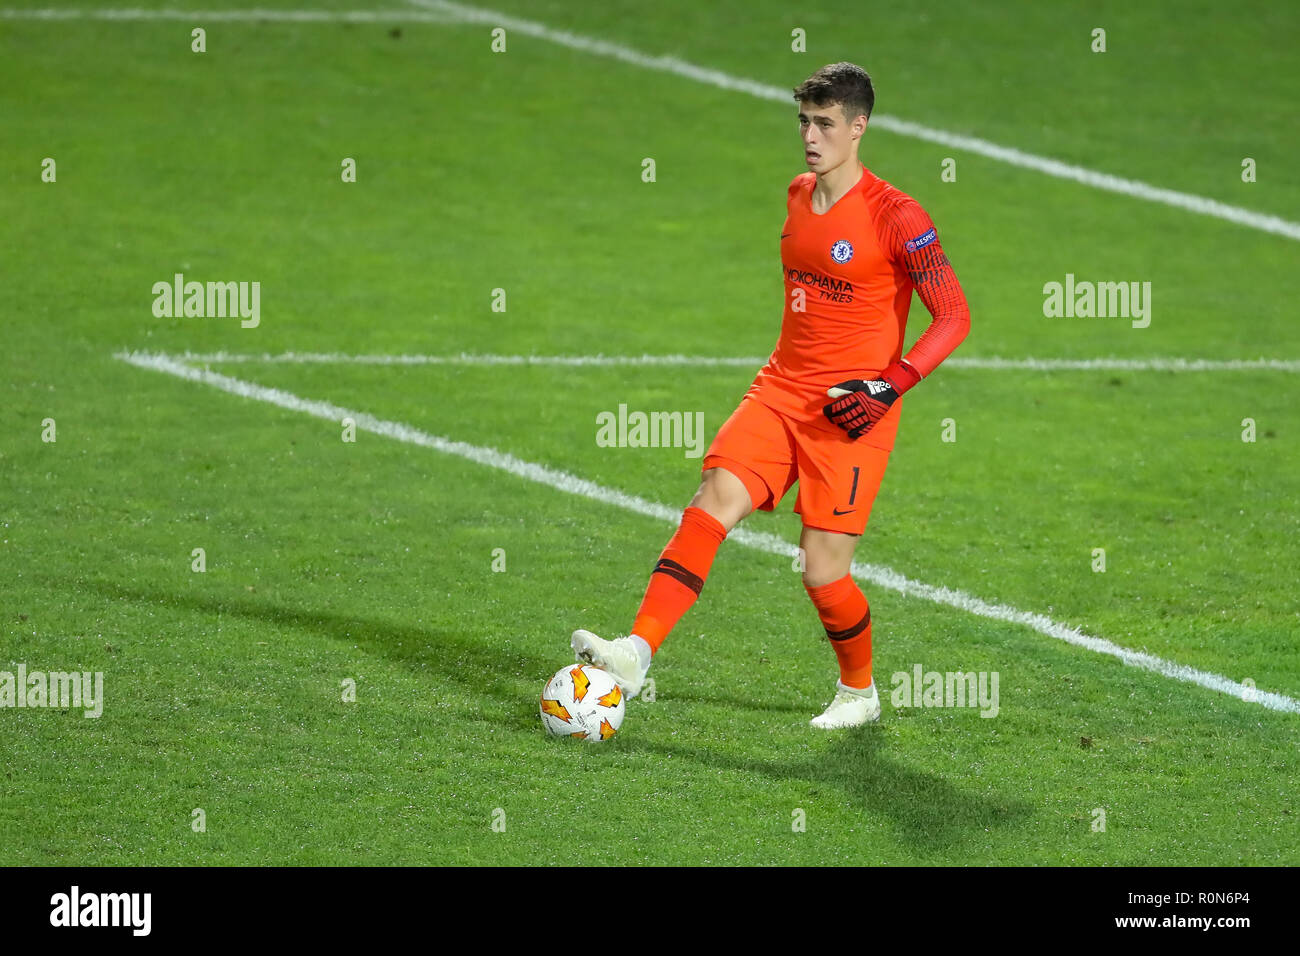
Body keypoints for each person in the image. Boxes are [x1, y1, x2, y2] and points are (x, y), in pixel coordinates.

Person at [573, 61, 971, 728]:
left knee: (822, 572)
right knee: (711, 503)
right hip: (781, 390)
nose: (810, 137)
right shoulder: (796, 194)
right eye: (804, 122)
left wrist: (890, 384)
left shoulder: (897, 217)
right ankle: (636, 653)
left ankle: (859, 692)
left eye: (824, 124)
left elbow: (954, 315)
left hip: (852, 414)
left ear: (858, 127)